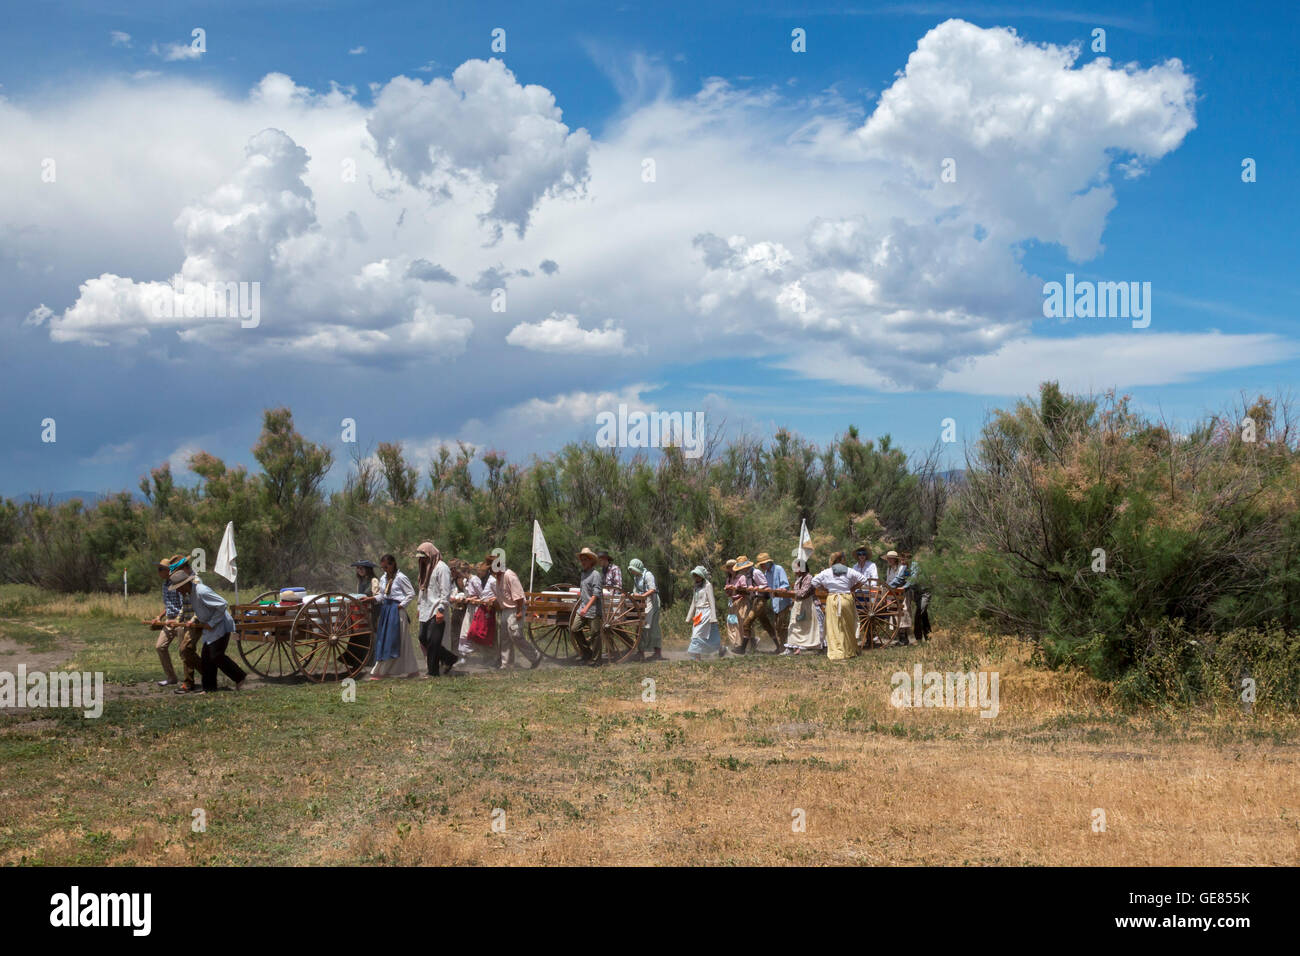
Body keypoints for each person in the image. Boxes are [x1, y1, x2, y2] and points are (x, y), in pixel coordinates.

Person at [167, 566, 246, 694]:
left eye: (178, 588)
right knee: (206, 658)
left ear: (185, 585)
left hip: (221, 625)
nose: (178, 591)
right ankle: (209, 688)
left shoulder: (201, 591)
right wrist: (194, 621)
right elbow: (203, 610)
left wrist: (212, 622)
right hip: (210, 628)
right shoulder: (191, 594)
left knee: (216, 656)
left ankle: (240, 677)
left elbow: (222, 604)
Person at [486, 552, 541, 670]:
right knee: (505, 638)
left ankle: (535, 656)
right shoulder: (499, 577)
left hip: (515, 608)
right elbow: (505, 595)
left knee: (516, 635)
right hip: (506, 609)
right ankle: (506, 664)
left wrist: (520, 611)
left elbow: (519, 595)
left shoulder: (509, 575)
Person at [369, 554, 420, 679]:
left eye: (386, 567)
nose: (384, 570)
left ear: (392, 564)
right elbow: (382, 596)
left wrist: (400, 606)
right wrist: (370, 599)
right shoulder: (383, 578)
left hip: (397, 611)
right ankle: (383, 670)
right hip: (386, 610)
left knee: (399, 640)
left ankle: (408, 670)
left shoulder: (401, 577)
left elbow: (410, 593)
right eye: (383, 567)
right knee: (385, 639)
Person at [812, 551, 869, 661]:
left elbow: (814, 582)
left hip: (832, 599)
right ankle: (849, 649)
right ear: (842, 560)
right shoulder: (849, 571)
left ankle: (837, 651)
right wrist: (853, 588)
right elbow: (864, 580)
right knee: (848, 625)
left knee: (834, 626)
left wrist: (824, 589)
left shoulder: (827, 572)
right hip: (846, 598)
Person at [414, 542, 459, 676]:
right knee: (423, 638)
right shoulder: (425, 568)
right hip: (425, 609)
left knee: (433, 641)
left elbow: (445, 591)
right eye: (420, 558)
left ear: (430, 554)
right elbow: (422, 588)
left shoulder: (441, 568)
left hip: (437, 609)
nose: (421, 560)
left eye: (424, 557)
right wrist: (419, 606)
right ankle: (449, 658)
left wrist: (441, 609)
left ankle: (432, 672)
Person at [151, 554, 190, 687]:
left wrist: (177, 620)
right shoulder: (164, 585)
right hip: (169, 620)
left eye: (161, 569)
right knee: (160, 647)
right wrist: (159, 616)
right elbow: (168, 605)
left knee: (183, 651)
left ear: (168, 570)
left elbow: (183, 604)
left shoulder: (178, 582)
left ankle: (188, 681)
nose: (158, 572)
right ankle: (171, 677)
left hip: (181, 620)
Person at [775, 557, 820, 655]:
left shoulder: (809, 577)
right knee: (793, 626)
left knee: (805, 627)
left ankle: (804, 648)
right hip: (799, 604)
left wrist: (790, 592)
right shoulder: (799, 578)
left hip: (808, 604)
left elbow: (803, 593)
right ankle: (792, 647)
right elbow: (797, 592)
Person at [572, 547, 605, 665]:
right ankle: (587, 653)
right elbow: (585, 590)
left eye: (585, 559)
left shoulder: (595, 574)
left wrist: (586, 608)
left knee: (595, 634)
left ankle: (597, 660)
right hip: (583, 608)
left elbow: (596, 594)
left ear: (591, 561)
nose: (583, 562)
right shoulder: (583, 574)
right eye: (581, 560)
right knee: (574, 629)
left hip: (593, 610)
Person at [628, 558, 662, 662]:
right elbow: (635, 589)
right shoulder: (636, 577)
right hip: (642, 601)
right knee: (641, 626)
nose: (632, 571)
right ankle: (641, 651)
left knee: (651, 627)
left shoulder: (648, 575)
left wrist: (642, 595)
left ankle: (657, 653)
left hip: (652, 601)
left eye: (633, 569)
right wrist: (635, 595)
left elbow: (652, 589)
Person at [455, 560, 490, 661]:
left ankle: (486, 655)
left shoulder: (475, 580)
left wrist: (473, 600)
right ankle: (463, 657)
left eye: (460, 573)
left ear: (464, 571)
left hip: (477, 609)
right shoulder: (466, 581)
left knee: (476, 632)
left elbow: (483, 596)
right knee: (465, 632)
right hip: (469, 609)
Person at [755, 552, 790, 652]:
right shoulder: (766, 573)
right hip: (775, 603)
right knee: (777, 626)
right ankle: (782, 647)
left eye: (762, 564)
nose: (761, 566)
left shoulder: (779, 569)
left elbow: (785, 585)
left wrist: (778, 590)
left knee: (782, 625)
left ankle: (785, 647)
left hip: (783, 602)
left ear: (768, 562)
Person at [685, 566, 721, 659]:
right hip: (698, 613)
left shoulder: (708, 585)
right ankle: (720, 649)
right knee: (699, 634)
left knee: (697, 634)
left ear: (702, 576)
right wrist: (689, 617)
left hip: (705, 612)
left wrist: (713, 616)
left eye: (698, 575)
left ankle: (695, 656)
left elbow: (711, 601)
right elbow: (694, 602)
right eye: (695, 575)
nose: (696, 577)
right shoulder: (696, 587)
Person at [730, 555, 760, 655]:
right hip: (749, 599)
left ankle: (748, 644)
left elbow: (746, 589)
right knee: (744, 623)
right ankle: (749, 645)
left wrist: (738, 590)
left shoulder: (750, 574)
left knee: (745, 622)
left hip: (749, 600)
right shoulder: (745, 575)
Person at [721, 558, 742, 653]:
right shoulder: (728, 579)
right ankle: (734, 643)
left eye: (732, 567)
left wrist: (735, 589)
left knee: (738, 622)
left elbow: (744, 590)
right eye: (729, 567)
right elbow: (728, 592)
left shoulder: (741, 577)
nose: (730, 569)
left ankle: (738, 644)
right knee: (730, 622)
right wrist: (728, 591)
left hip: (739, 600)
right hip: (731, 601)